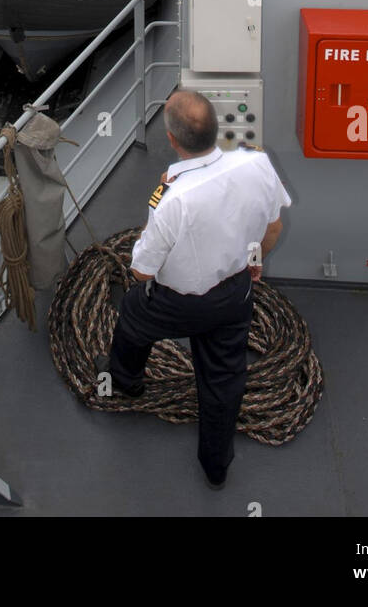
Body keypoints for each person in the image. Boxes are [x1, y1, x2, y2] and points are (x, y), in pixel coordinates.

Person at [105, 89, 290, 489]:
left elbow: (141, 272)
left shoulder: (171, 200)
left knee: (133, 318)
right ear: (216, 130)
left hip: (176, 305)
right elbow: (272, 227)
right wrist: (253, 263)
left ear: (172, 140)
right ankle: (216, 467)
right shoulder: (258, 163)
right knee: (224, 381)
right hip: (235, 295)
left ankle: (126, 383)